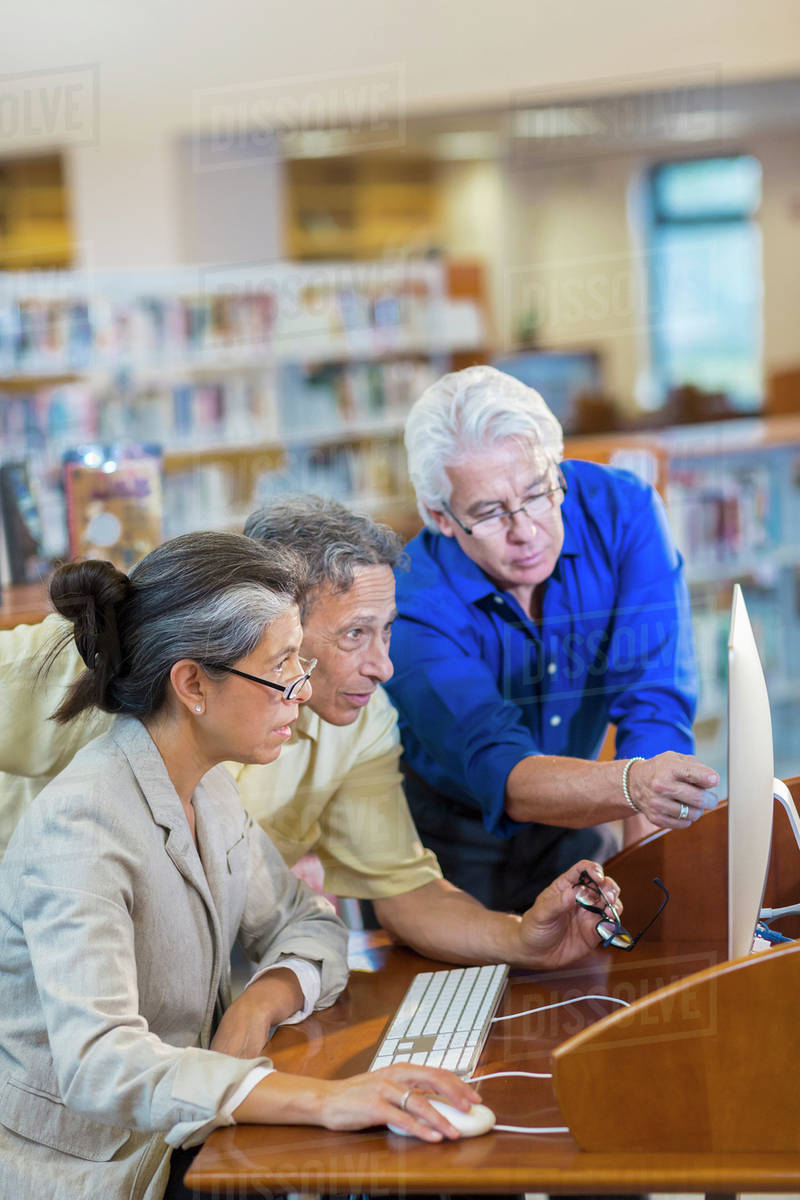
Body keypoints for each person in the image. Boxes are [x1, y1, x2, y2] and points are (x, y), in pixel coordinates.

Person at [0, 531, 490, 1200]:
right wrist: (324, 1100)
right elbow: (99, 1065)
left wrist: (260, 1002)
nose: (302, 688)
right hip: (97, 1170)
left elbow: (310, 922)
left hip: (184, 1132)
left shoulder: (207, 786)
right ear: (193, 684)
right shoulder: (81, 825)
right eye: (284, 665)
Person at [0, 498, 620, 972]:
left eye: (387, 631)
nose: (384, 666)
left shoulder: (361, 720)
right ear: (273, 619)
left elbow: (401, 891)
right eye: (355, 634)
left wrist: (524, 938)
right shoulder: (106, 656)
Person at [385, 365, 720, 912]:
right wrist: (634, 786)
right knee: (475, 991)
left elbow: (654, 699)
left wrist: (653, 885)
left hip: (582, 808)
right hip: (449, 840)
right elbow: (499, 766)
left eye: (540, 492)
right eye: (490, 513)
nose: (526, 531)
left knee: (607, 969)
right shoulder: (411, 602)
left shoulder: (623, 510)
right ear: (439, 516)